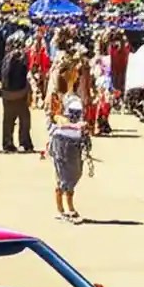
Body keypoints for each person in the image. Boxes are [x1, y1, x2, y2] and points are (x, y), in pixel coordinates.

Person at [47, 95, 90, 223]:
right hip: (61, 146)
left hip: (74, 149)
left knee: (74, 175)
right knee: (62, 177)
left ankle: (70, 207)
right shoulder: (59, 113)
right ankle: (61, 209)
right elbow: (55, 121)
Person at [0, 34, 34, 153]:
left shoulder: (6, 57)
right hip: (19, 93)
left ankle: (7, 144)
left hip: (7, 94)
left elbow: (1, 75)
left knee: (8, 120)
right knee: (24, 119)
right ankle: (25, 143)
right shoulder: (20, 56)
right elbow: (23, 73)